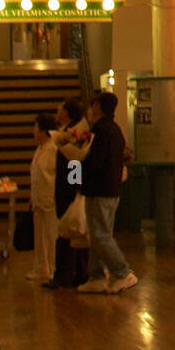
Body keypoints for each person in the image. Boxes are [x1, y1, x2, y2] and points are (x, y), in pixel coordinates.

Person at [57, 91, 137, 294]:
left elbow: (94, 162)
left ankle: (122, 272)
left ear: (99, 107)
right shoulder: (115, 130)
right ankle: (97, 275)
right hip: (111, 189)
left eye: (93, 106)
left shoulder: (101, 131)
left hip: (99, 189)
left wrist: (76, 167)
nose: (90, 110)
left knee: (100, 236)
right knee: (99, 235)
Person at [42, 98, 91, 290]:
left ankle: (65, 275)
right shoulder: (68, 131)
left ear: (68, 113)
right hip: (66, 187)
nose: (57, 112)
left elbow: (75, 161)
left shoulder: (76, 134)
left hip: (69, 189)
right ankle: (78, 272)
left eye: (60, 109)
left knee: (69, 230)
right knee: (72, 230)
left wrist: (75, 185)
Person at [27, 112, 59, 283]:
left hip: (51, 198)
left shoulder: (55, 148)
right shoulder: (40, 148)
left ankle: (55, 270)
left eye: (36, 127)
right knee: (39, 236)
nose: (34, 131)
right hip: (38, 198)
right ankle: (41, 268)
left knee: (52, 236)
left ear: (43, 130)